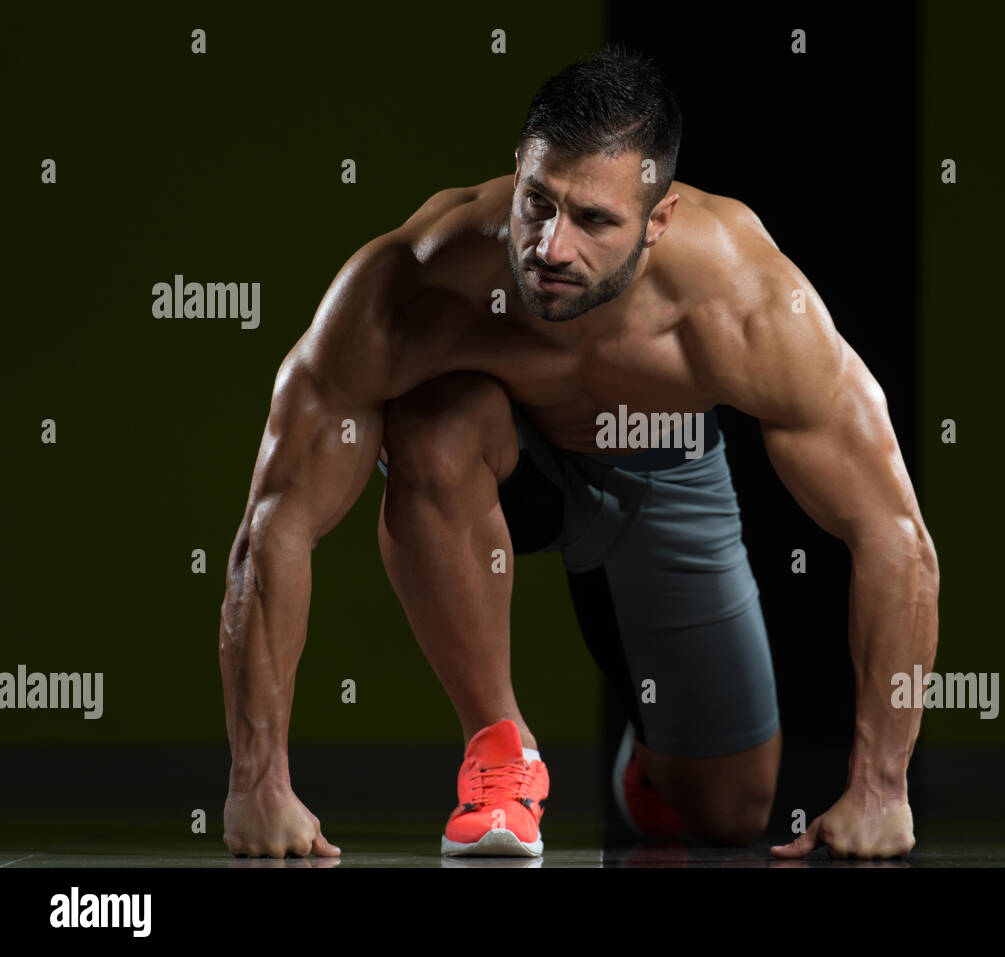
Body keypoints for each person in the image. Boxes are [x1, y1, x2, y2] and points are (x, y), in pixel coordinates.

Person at [219, 44, 939, 861]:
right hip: (502, 462)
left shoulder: (749, 304)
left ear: (658, 220)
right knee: (432, 420)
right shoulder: (415, 283)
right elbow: (273, 522)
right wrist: (258, 783)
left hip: (667, 477)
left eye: (595, 220)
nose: (551, 248)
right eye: (538, 203)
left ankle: (653, 746)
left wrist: (882, 787)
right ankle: (499, 750)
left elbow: (894, 535)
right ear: (517, 171)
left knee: (730, 811)